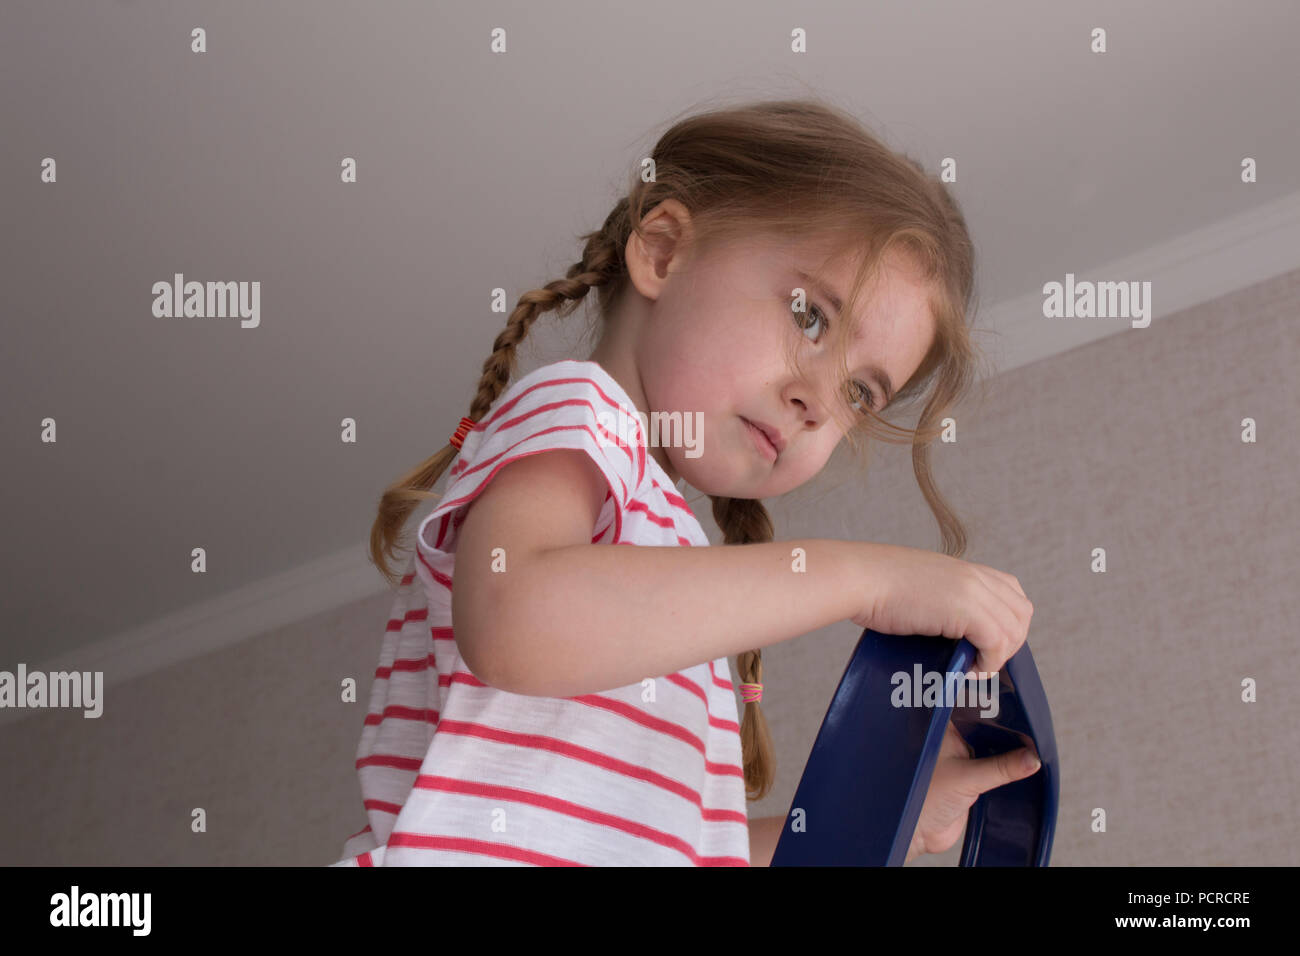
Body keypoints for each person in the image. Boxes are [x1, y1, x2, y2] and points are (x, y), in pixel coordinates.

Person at [332, 96, 1037, 867]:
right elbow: (513, 618)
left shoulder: (665, 576)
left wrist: (886, 817)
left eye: (860, 393)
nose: (818, 400)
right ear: (664, 252)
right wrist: (865, 576)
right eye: (811, 317)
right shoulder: (578, 410)